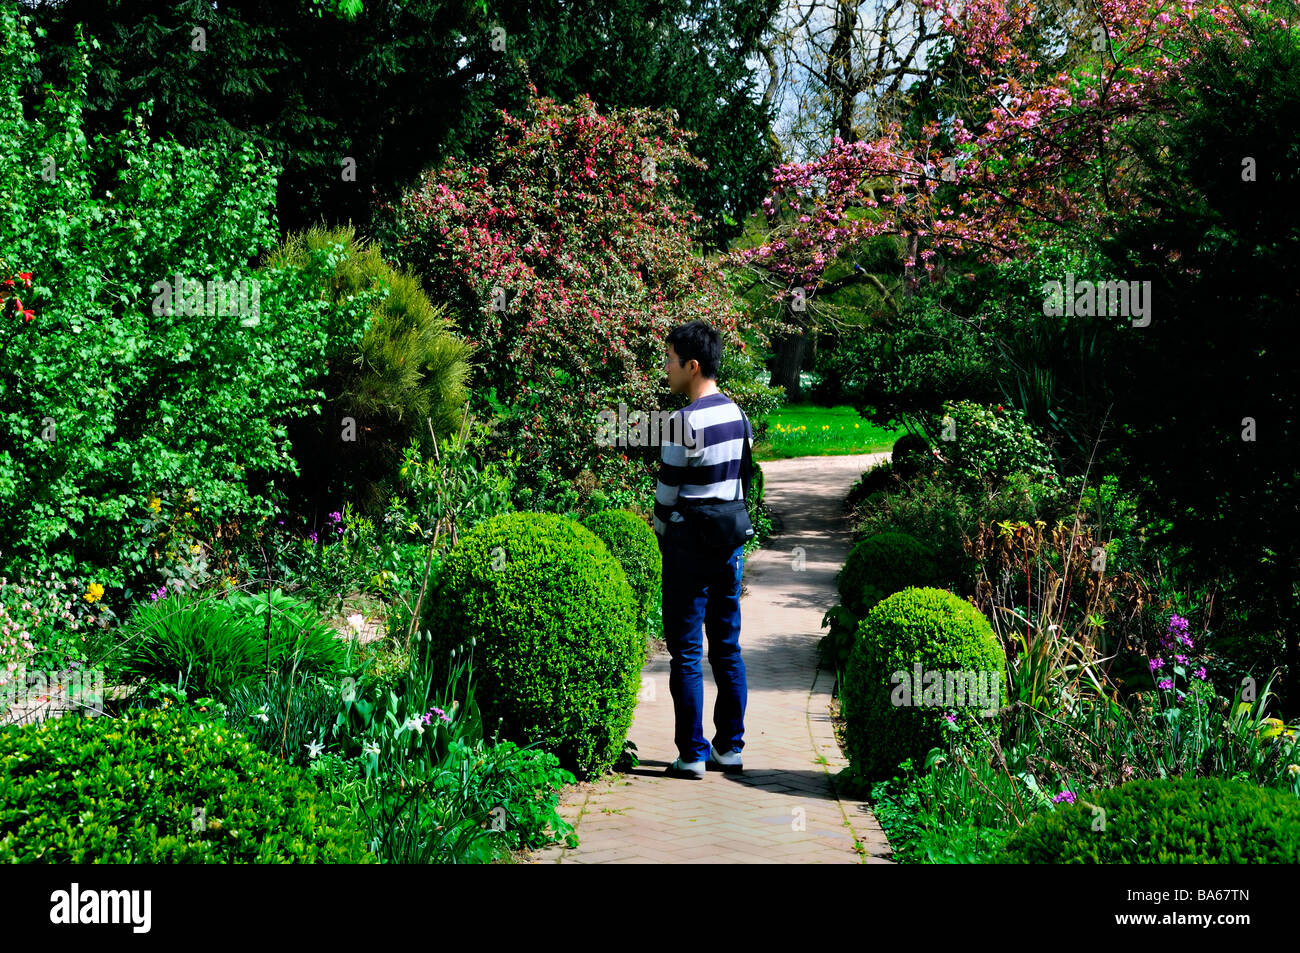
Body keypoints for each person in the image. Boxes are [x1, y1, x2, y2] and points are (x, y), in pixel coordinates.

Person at [654, 320, 751, 780]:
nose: (665, 368)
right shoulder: (738, 415)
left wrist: (661, 534)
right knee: (727, 648)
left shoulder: (683, 422)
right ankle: (729, 747)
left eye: (670, 360)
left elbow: (666, 495)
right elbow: (741, 482)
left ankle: (692, 754)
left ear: (693, 366)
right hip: (728, 546)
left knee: (687, 653)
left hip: (688, 547)